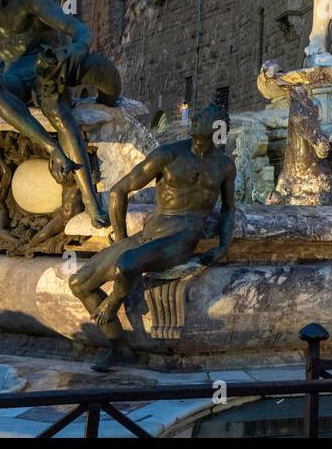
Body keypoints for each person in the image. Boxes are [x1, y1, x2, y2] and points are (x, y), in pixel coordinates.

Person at [68, 105, 236, 371]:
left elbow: (228, 209)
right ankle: (121, 348)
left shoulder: (224, 165)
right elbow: (118, 191)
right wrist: (121, 238)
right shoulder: (168, 154)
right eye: (196, 115)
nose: (194, 118)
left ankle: (112, 305)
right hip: (150, 234)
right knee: (79, 283)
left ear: (217, 127)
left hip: (183, 238)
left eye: (202, 117)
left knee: (126, 264)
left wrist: (223, 246)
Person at [0, 0, 119, 227]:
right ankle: (52, 149)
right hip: (14, 74)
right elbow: (10, 48)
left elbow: (76, 28)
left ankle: (91, 201)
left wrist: (78, 49)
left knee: (57, 111)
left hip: (46, 64)